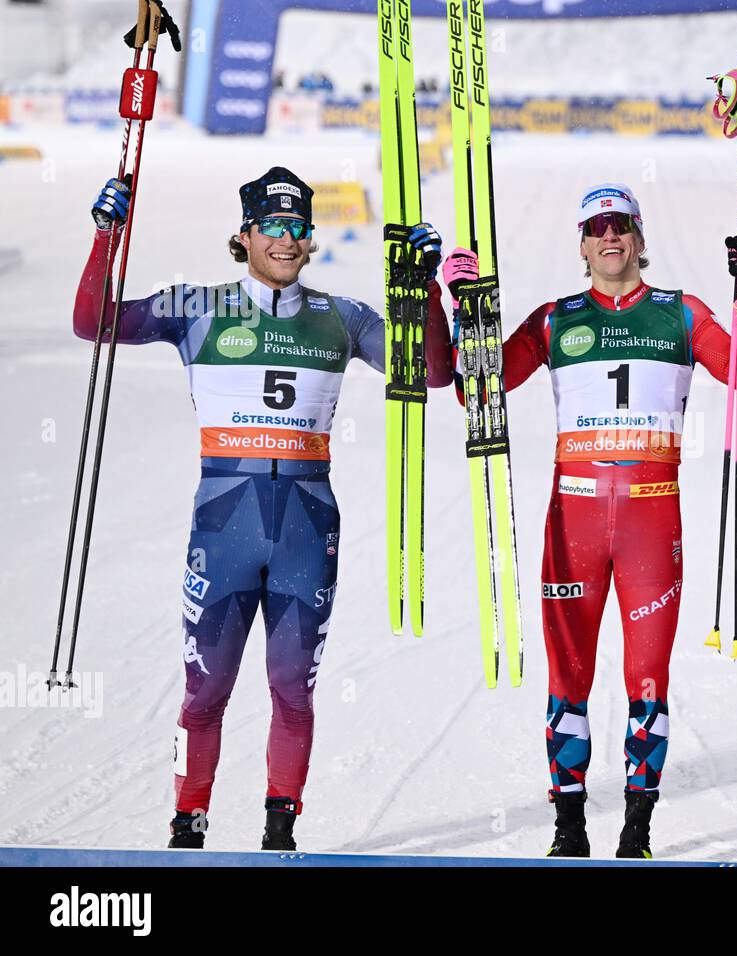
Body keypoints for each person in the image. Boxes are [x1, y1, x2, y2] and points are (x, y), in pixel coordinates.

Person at [75, 167, 453, 850]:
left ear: (310, 239)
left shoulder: (343, 317)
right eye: (271, 226)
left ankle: (280, 832)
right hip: (223, 529)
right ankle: (187, 826)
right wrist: (107, 236)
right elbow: (95, 322)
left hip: (306, 528)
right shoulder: (197, 306)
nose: (286, 239)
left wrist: (424, 289)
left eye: (297, 227)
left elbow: (431, 372)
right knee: (204, 695)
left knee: (292, 691)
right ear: (244, 234)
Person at [438, 184, 737, 859]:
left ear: (640, 238)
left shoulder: (680, 313)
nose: (610, 238)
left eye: (621, 226)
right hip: (575, 518)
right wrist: (462, 309)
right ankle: (568, 825)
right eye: (597, 228)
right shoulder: (554, 319)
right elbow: (478, 385)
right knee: (569, 674)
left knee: (647, 675)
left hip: (652, 518)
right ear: (583, 243)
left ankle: (637, 829)